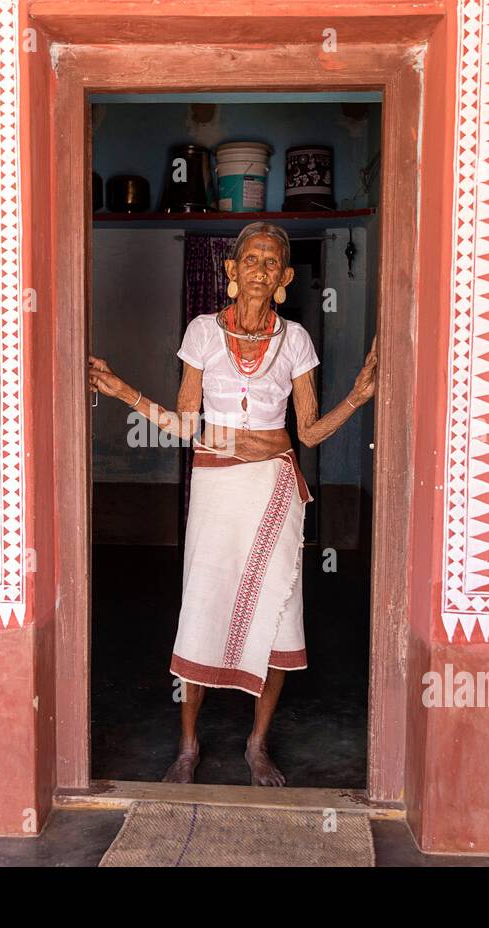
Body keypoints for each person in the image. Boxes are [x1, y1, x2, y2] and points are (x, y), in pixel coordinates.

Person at [88, 221, 378, 786]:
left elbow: (311, 432)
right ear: (229, 272)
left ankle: (256, 744)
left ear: (285, 279)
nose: (259, 269)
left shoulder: (295, 339)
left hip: (273, 486)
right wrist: (122, 390)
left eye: (272, 263)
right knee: (203, 603)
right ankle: (189, 745)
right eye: (249, 259)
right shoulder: (201, 332)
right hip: (217, 487)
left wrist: (360, 397)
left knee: (276, 615)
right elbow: (187, 425)